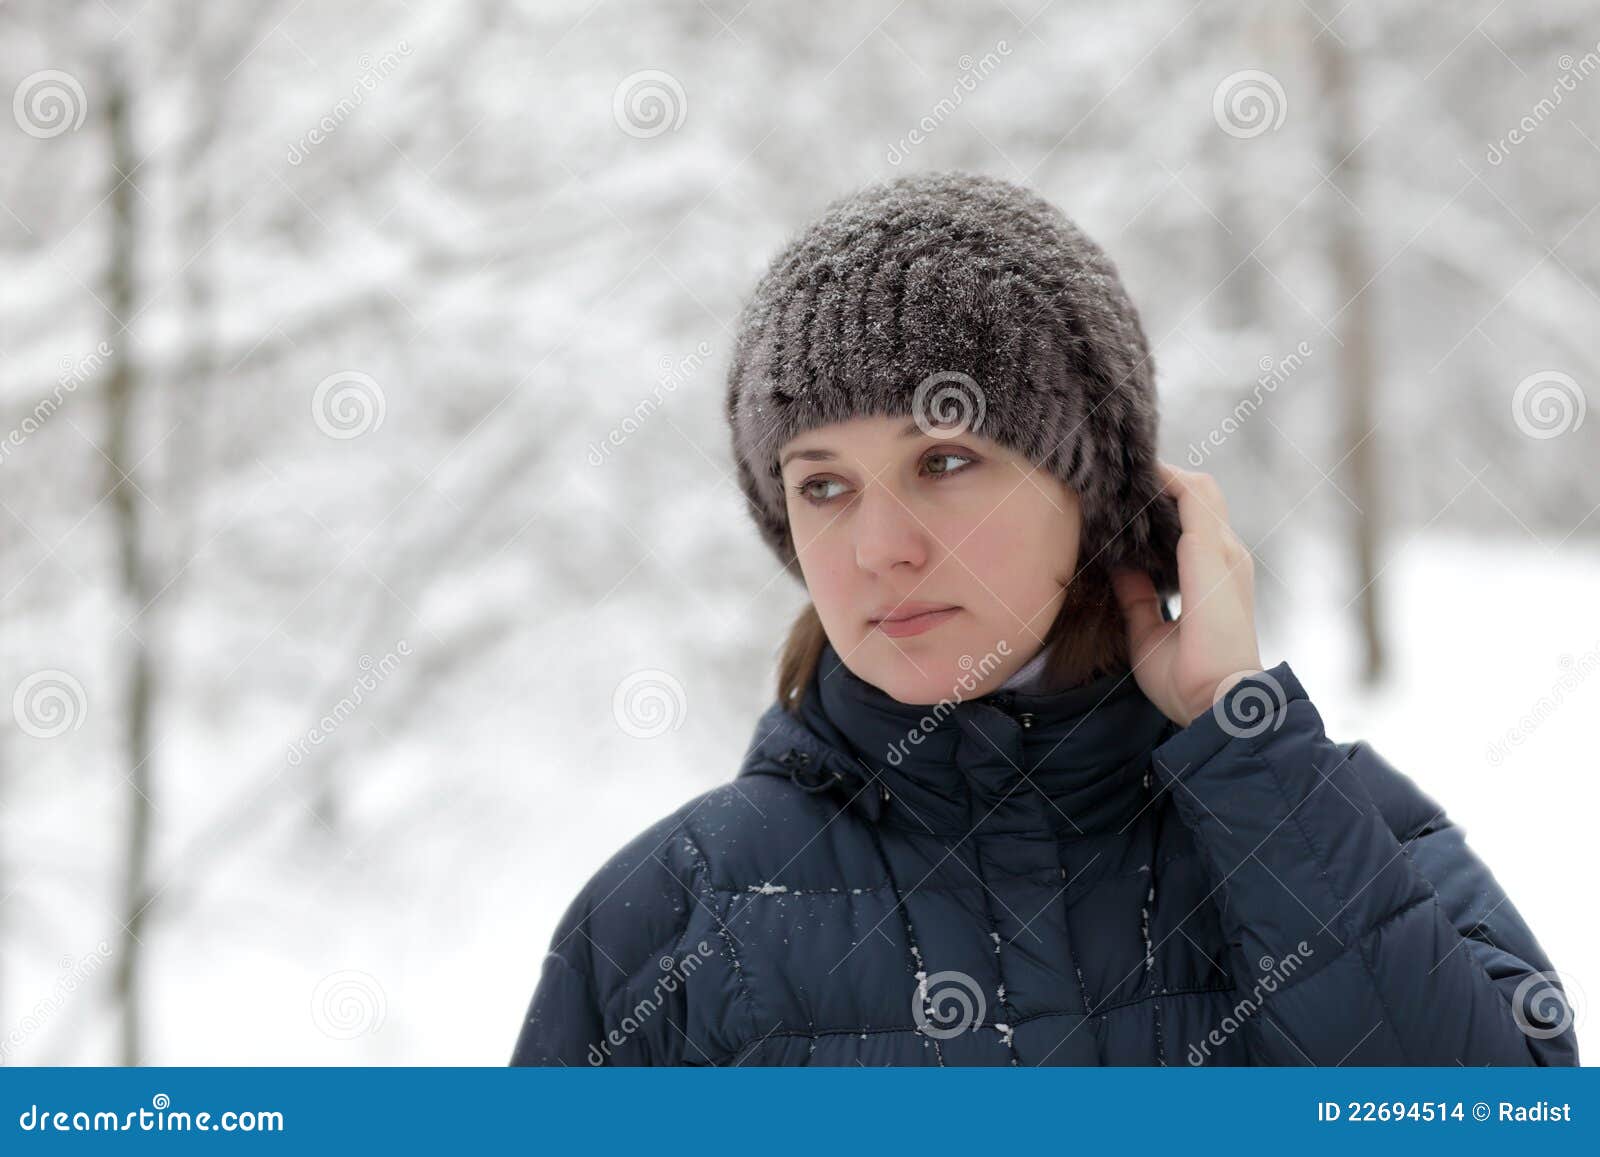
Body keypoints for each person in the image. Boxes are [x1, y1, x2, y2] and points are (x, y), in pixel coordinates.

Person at [509, 171, 1578, 1066]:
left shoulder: (1325, 832)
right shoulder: (672, 917)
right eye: (822, 485)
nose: (879, 547)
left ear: (1095, 490)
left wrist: (1236, 735)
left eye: (944, 459)